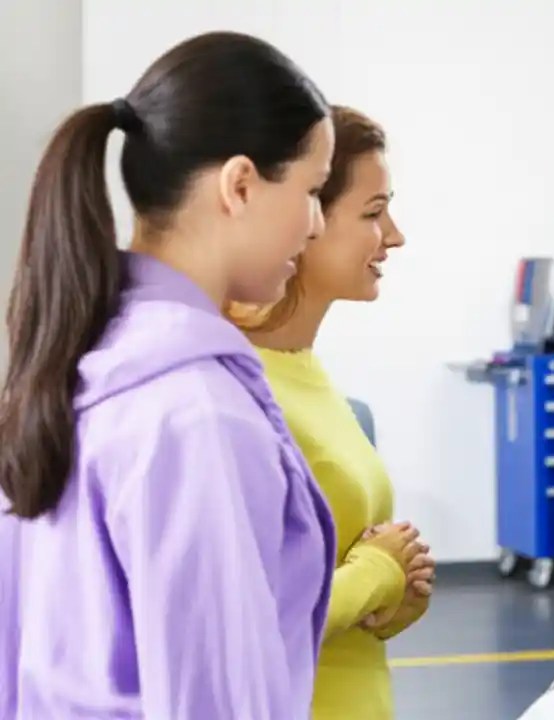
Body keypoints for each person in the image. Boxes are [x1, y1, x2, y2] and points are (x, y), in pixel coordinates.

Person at [0, 31, 342, 719]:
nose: (314, 224)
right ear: (240, 184)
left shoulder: (72, 369)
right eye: (312, 190)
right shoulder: (196, 415)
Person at [228, 105, 430, 720]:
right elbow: (246, 619)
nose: (393, 235)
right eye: (373, 213)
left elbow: (346, 586)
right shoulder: (233, 391)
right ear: (305, 216)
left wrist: (399, 592)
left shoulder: (308, 372)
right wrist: (376, 575)